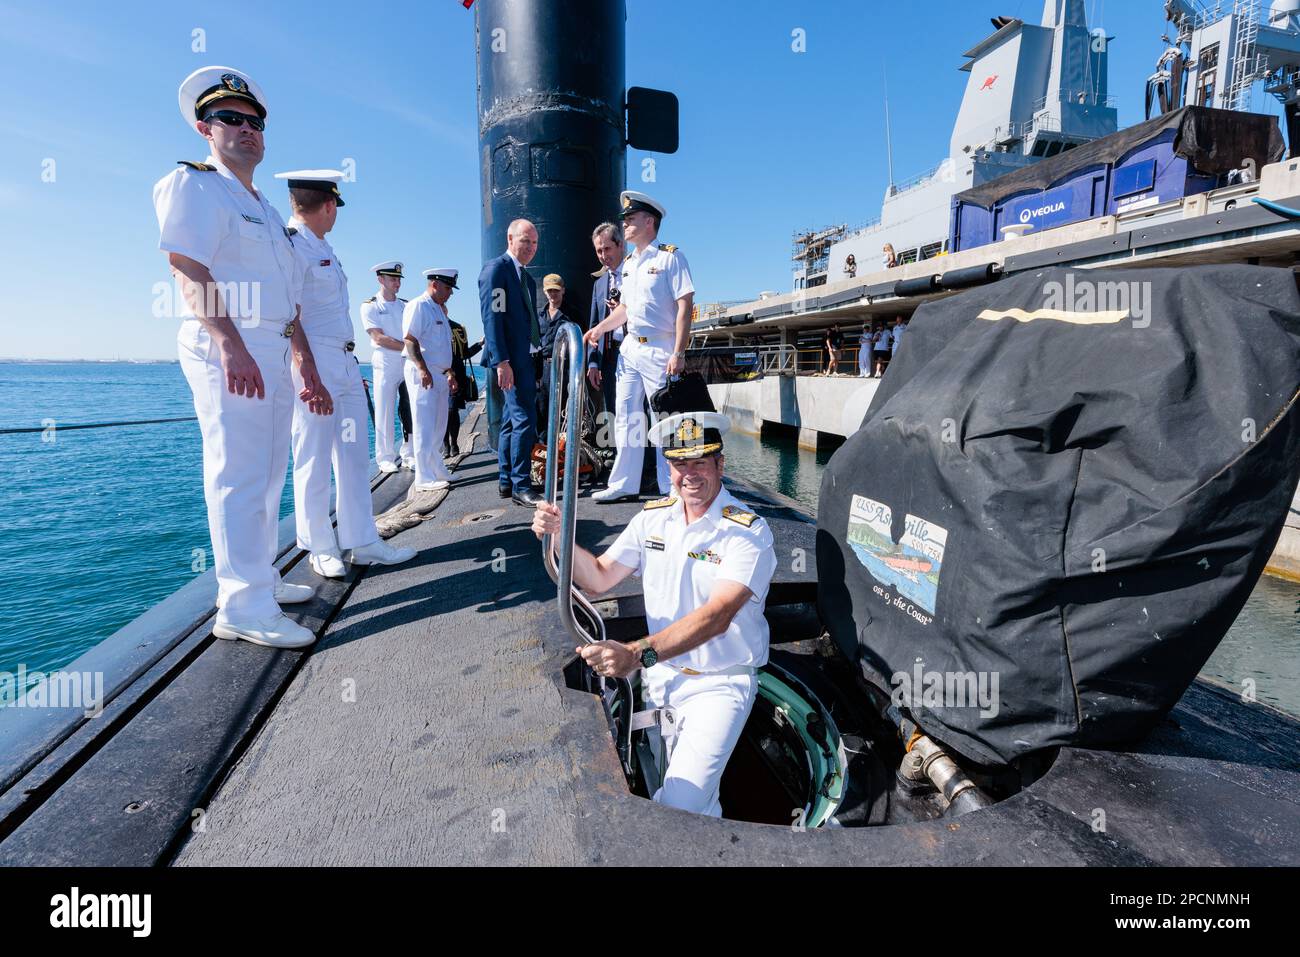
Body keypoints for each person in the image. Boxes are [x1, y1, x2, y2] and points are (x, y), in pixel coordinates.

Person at [155, 66, 330, 650]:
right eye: (231, 119)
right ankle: (241, 606)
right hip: (229, 345)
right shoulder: (195, 185)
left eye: (255, 121)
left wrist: (302, 359)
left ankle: (260, 580)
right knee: (237, 474)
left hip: (273, 347)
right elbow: (187, 266)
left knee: (267, 473)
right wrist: (230, 345)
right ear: (206, 128)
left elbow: (288, 300)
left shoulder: (259, 207)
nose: (246, 129)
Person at [531, 410, 776, 817]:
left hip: (719, 684)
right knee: (675, 786)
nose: (689, 473)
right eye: (681, 463)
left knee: (682, 805)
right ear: (669, 466)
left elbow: (717, 616)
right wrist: (560, 536)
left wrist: (637, 654)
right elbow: (599, 577)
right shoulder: (653, 519)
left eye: (701, 461)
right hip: (661, 678)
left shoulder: (747, 532)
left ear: (720, 464)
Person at [275, 170, 416, 580]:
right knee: (314, 456)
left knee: (353, 456)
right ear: (328, 204)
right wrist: (307, 369)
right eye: (335, 206)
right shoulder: (291, 245)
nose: (336, 213)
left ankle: (362, 539)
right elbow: (290, 312)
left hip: (346, 363)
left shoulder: (323, 247)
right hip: (313, 363)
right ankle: (319, 546)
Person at [584, 191, 694, 504]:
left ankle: (668, 485)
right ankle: (624, 482)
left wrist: (679, 351)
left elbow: (685, 306)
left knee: (663, 418)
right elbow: (626, 309)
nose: (626, 225)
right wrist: (599, 328)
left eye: (630, 220)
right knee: (626, 418)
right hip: (630, 349)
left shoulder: (670, 258)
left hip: (660, 347)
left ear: (649, 222)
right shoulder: (630, 264)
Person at [479, 219, 544, 507]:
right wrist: (501, 361)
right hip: (511, 361)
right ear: (509, 238)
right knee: (524, 421)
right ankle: (521, 484)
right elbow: (492, 319)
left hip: (527, 358)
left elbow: (529, 320)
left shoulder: (526, 278)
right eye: (525, 241)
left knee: (509, 421)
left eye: (534, 243)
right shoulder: (497, 271)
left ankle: (506, 480)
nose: (530, 247)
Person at [403, 268, 459, 492]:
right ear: (434, 284)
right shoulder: (419, 306)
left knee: (438, 425)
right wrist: (422, 369)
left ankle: (437, 468)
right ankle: (423, 477)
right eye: (447, 288)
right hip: (423, 374)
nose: (450, 293)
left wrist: (449, 373)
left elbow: (442, 348)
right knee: (424, 425)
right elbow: (409, 339)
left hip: (439, 375)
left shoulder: (438, 309)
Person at [361, 261, 415, 472]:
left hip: (406, 361)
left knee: (409, 407)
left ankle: (409, 452)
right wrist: (408, 347)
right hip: (385, 360)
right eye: (393, 279)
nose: (397, 283)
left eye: (399, 279)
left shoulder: (405, 305)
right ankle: (385, 457)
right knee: (384, 409)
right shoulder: (371, 305)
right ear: (380, 279)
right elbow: (378, 337)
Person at [587, 222, 625, 431]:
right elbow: (594, 327)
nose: (603, 255)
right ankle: (618, 456)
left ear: (620, 245)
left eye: (607, 249)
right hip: (610, 357)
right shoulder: (599, 284)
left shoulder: (635, 274)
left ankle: (646, 463)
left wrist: (623, 310)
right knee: (613, 409)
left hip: (634, 350)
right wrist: (593, 364)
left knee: (639, 412)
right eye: (599, 251)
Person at [536, 272, 577, 427]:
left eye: (556, 290)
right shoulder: (539, 315)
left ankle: (561, 448)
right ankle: (543, 446)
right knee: (541, 410)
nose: (553, 294)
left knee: (563, 409)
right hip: (543, 369)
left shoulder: (572, 314)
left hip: (564, 368)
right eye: (550, 291)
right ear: (545, 292)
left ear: (563, 290)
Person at [444, 317, 482, 459]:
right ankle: (445, 446)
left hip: (456, 376)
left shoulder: (457, 328)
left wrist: (480, 344)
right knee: (442, 413)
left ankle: (453, 443)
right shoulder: (429, 326)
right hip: (438, 375)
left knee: (452, 410)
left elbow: (464, 354)